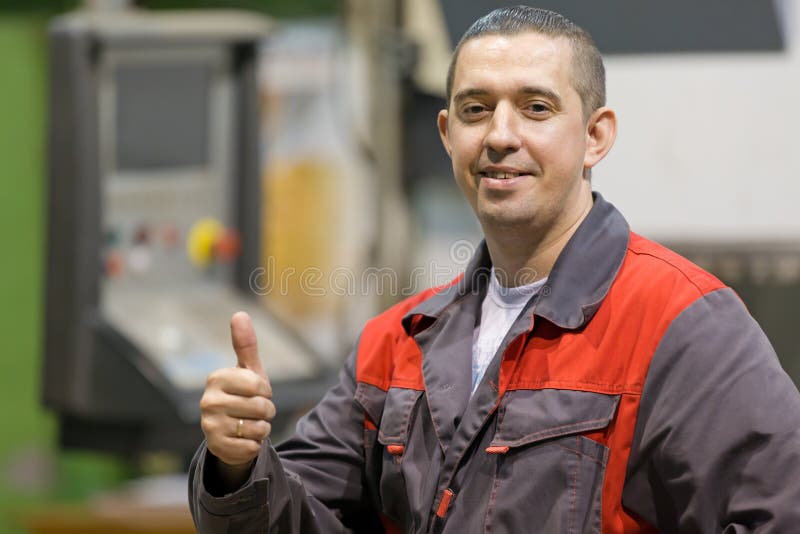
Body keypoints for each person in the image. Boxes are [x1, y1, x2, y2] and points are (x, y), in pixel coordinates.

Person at [189, 6, 800, 533]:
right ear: (447, 132)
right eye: (476, 109)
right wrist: (237, 463)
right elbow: (304, 515)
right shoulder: (395, 343)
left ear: (595, 136)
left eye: (536, 108)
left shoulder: (682, 325)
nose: (500, 136)